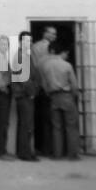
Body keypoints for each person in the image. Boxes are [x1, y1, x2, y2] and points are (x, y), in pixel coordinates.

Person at [41, 46, 82, 160]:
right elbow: (73, 84)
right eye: (66, 54)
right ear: (63, 52)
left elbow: (44, 84)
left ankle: (57, 154)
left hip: (53, 97)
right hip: (66, 96)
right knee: (71, 126)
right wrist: (76, 95)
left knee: (56, 127)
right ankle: (72, 154)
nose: (67, 56)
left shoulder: (46, 66)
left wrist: (49, 93)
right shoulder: (67, 65)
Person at [12, 32, 40, 162]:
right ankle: (25, 153)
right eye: (26, 41)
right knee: (26, 125)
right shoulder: (21, 57)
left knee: (25, 124)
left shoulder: (26, 56)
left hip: (24, 94)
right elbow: (24, 79)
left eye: (30, 41)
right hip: (24, 95)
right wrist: (32, 92)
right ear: (20, 42)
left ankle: (24, 151)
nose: (29, 43)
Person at [32, 28, 56, 157]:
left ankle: (47, 148)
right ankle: (44, 148)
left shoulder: (41, 46)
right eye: (51, 33)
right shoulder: (38, 47)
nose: (53, 35)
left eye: (55, 33)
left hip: (47, 86)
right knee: (44, 119)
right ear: (44, 33)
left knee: (47, 119)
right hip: (43, 86)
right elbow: (37, 67)